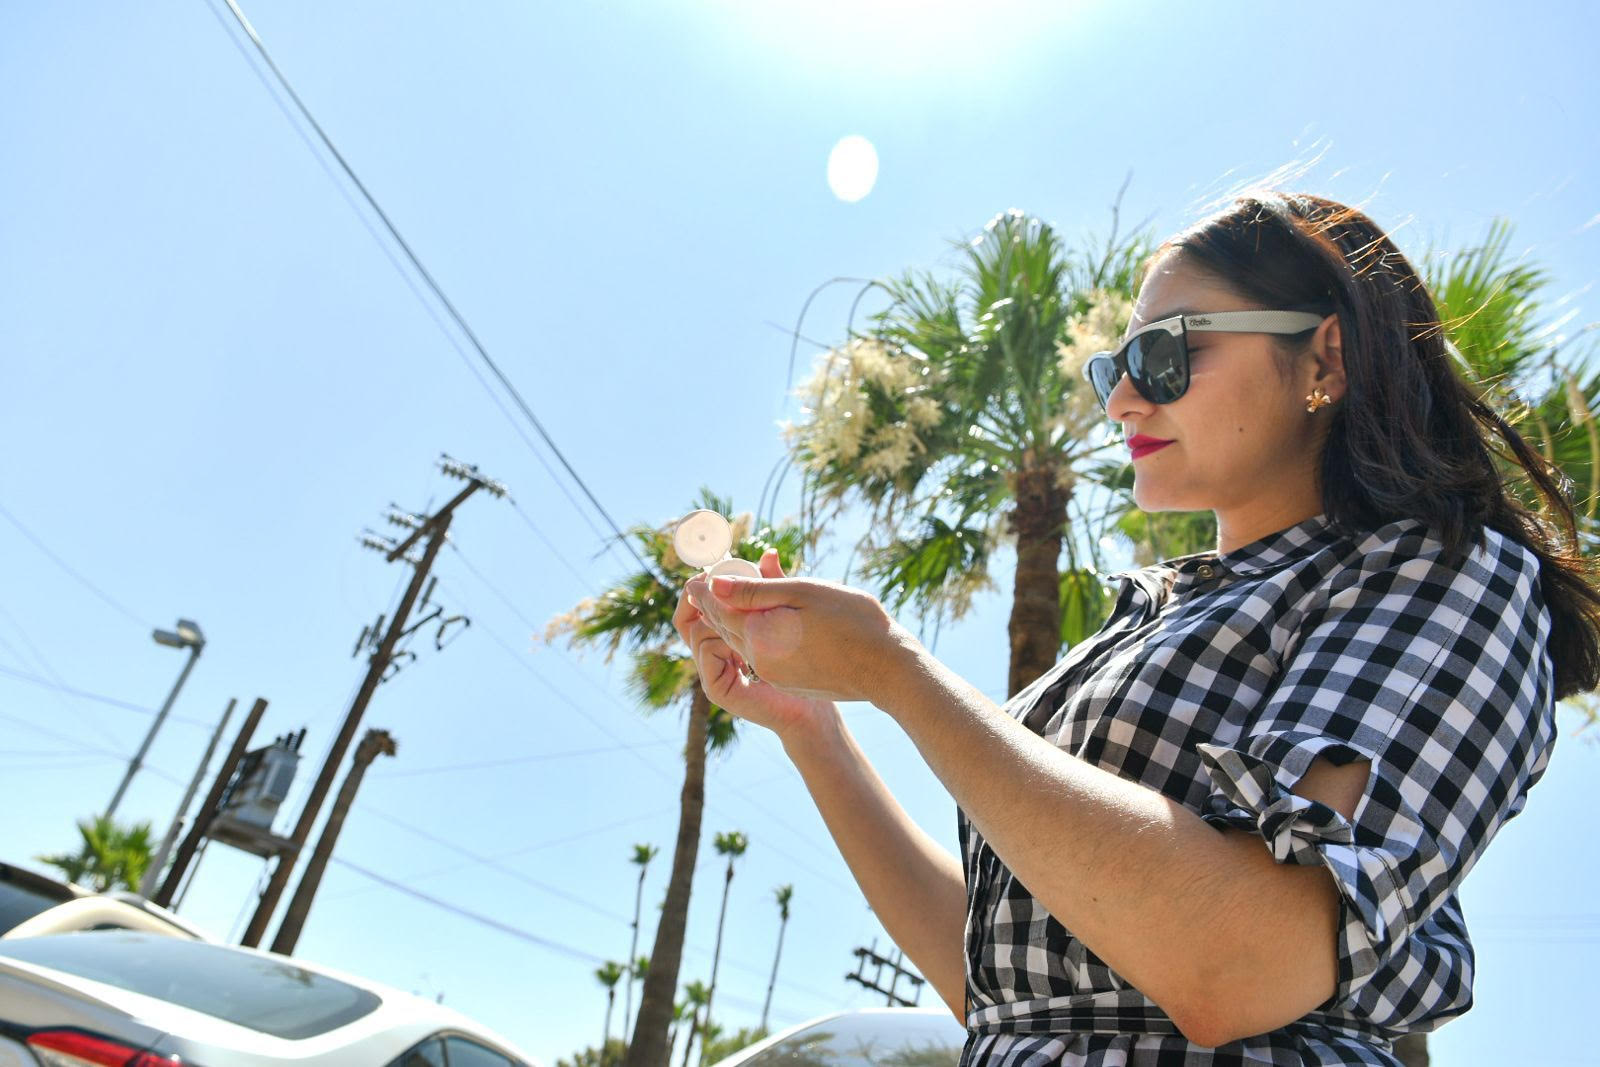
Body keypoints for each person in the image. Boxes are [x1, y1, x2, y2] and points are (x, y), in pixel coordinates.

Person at [674, 192, 1600, 1066]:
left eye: (1163, 356)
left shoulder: (1447, 572)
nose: (1120, 400)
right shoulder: (1149, 615)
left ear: (1326, 358)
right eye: (1111, 369)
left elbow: (1237, 962)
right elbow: (1000, 983)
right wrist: (818, 731)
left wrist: (901, 671)